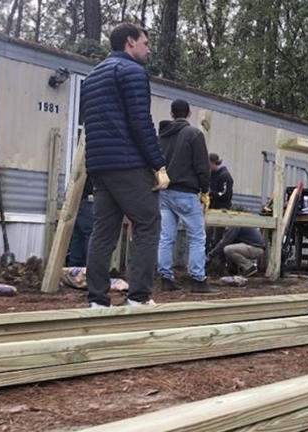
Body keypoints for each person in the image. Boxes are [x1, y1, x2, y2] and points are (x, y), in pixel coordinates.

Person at [80, 23, 169, 308]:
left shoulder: (92, 77)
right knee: (148, 223)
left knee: (103, 231)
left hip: (99, 166)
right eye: (145, 42)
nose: (148, 48)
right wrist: (158, 164)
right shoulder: (132, 72)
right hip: (128, 164)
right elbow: (140, 122)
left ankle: (97, 300)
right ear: (130, 42)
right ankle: (138, 297)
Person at [156, 99, 218, 294]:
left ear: (172, 113)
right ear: (189, 113)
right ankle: (198, 280)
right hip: (186, 192)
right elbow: (202, 165)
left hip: (165, 192)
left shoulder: (162, 136)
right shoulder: (194, 134)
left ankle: (166, 278)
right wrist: (205, 190)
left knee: (166, 237)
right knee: (197, 237)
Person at [66, 177, 94, 267]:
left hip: (78, 201)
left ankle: (73, 270)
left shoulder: (83, 167)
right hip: (90, 201)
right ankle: (89, 270)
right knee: (90, 236)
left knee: (78, 237)